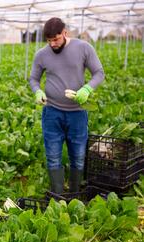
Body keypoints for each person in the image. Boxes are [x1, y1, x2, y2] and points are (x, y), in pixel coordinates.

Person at [29, 18, 105, 193]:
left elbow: (99, 73)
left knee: (78, 157)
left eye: (56, 39)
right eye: (49, 41)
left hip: (77, 113)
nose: (52, 44)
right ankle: (57, 196)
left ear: (65, 33)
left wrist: (87, 88)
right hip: (52, 113)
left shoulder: (83, 48)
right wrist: (37, 91)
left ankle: (75, 193)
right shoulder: (41, 54)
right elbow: (34, 78)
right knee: (53, 157)